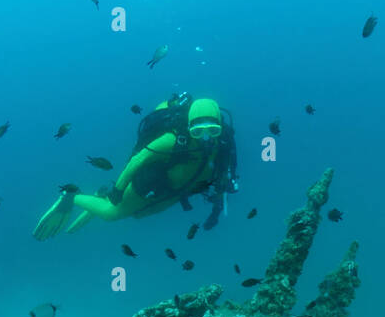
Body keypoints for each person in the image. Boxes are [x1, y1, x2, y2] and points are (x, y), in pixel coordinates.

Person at [33, 92, 238, 240]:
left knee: (140, 214)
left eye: (212, 130)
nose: (204, 138)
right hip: (152, 184)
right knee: (111, 214)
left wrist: (216, 211)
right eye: (197, 132)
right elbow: (138, 160)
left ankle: (100, 198)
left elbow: (223, 179)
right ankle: (71, 197)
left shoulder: (224, 145)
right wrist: (118, 190)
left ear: (221, 127)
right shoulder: (174, 139)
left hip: (176, 191)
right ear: (189, 127)